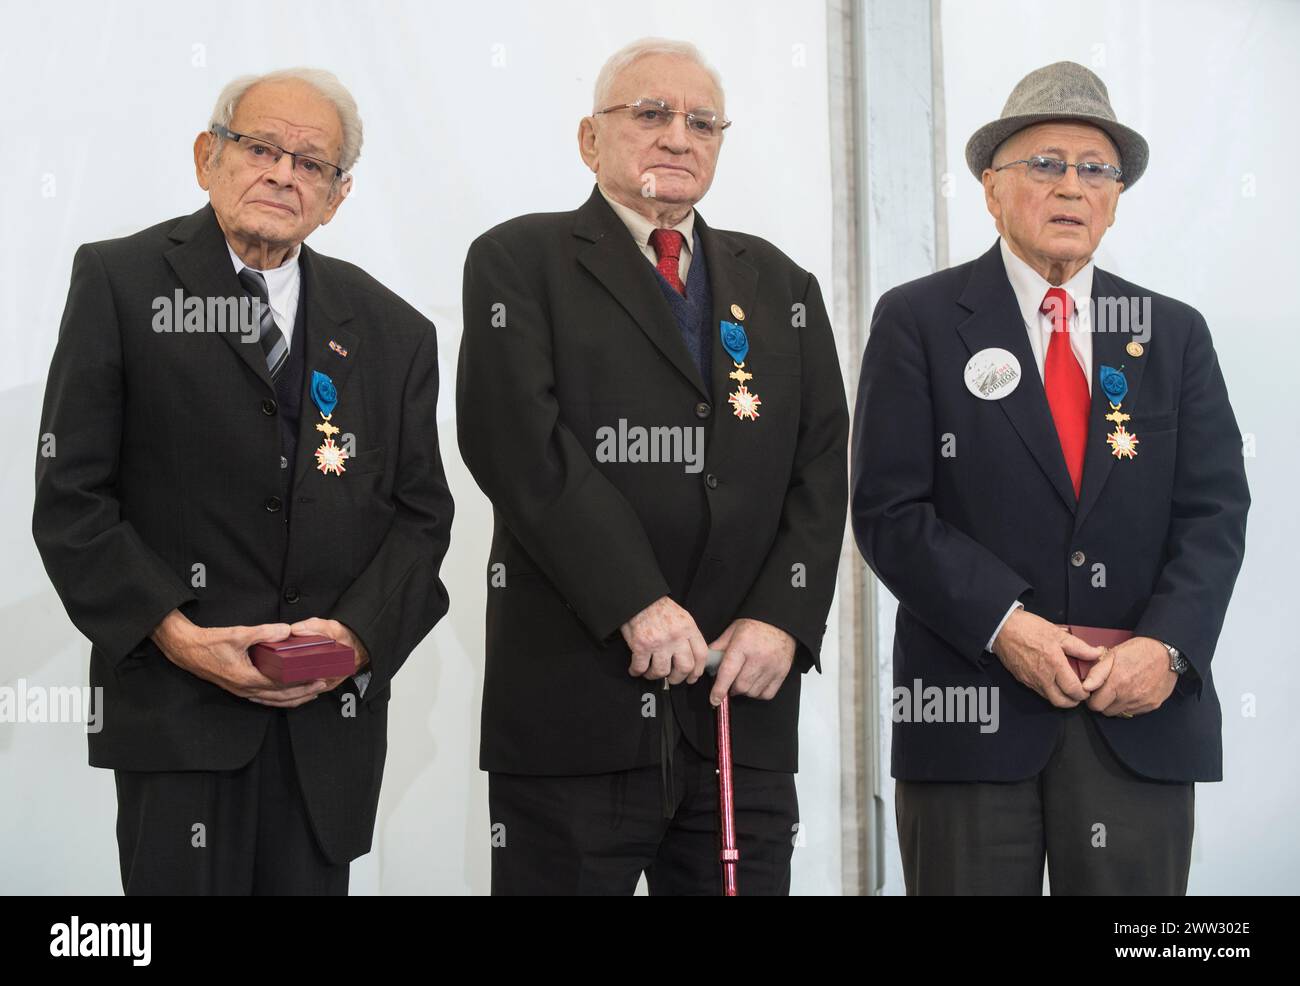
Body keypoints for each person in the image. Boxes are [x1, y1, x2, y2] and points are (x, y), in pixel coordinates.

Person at [32, 67, 454, 895]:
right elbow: (73, 499)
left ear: (337, 197)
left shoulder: (395, 331)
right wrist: (181, 638)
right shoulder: (121, 284)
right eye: (261, 147)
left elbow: (420, 517)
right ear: (208, 156)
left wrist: (355, 643)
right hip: (178, 718)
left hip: (324, 735)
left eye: (312, 163)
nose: (284, 173)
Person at [458, 37, 848, 894]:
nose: (678, 136)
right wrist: (634, 598)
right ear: (590, 140)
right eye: (650, 114)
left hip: (738, 709)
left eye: (701, 121)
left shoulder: (782, 284)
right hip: (577, 705)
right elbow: (516, 446)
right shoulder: (519, 261)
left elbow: (822, 470)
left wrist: (782, 617)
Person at [851, 61, 1250, 894]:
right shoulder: (919, 321)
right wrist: (1007, 625)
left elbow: (1214, 510)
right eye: (1045, 164)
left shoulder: (1172, 334)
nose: (1072, 185)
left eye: (1095, 169)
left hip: (1136, 720)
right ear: (991, 189)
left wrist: (1168, 650)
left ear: (1114, 199)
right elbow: (890, 510)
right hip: (970, 711)